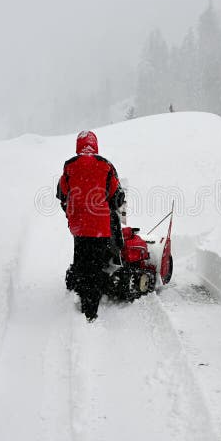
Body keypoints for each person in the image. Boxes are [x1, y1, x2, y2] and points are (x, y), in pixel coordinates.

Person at [56, 130, 124, 321]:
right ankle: (91, 311)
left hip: (79, 227)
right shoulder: (105, 166)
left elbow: (62, 194)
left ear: (79, 145)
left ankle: (80, 296)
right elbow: (117, 197)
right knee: (96, 267)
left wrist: (72, 212)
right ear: (95, 145)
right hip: (100, 227)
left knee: (82, 262)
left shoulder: (70, 167)